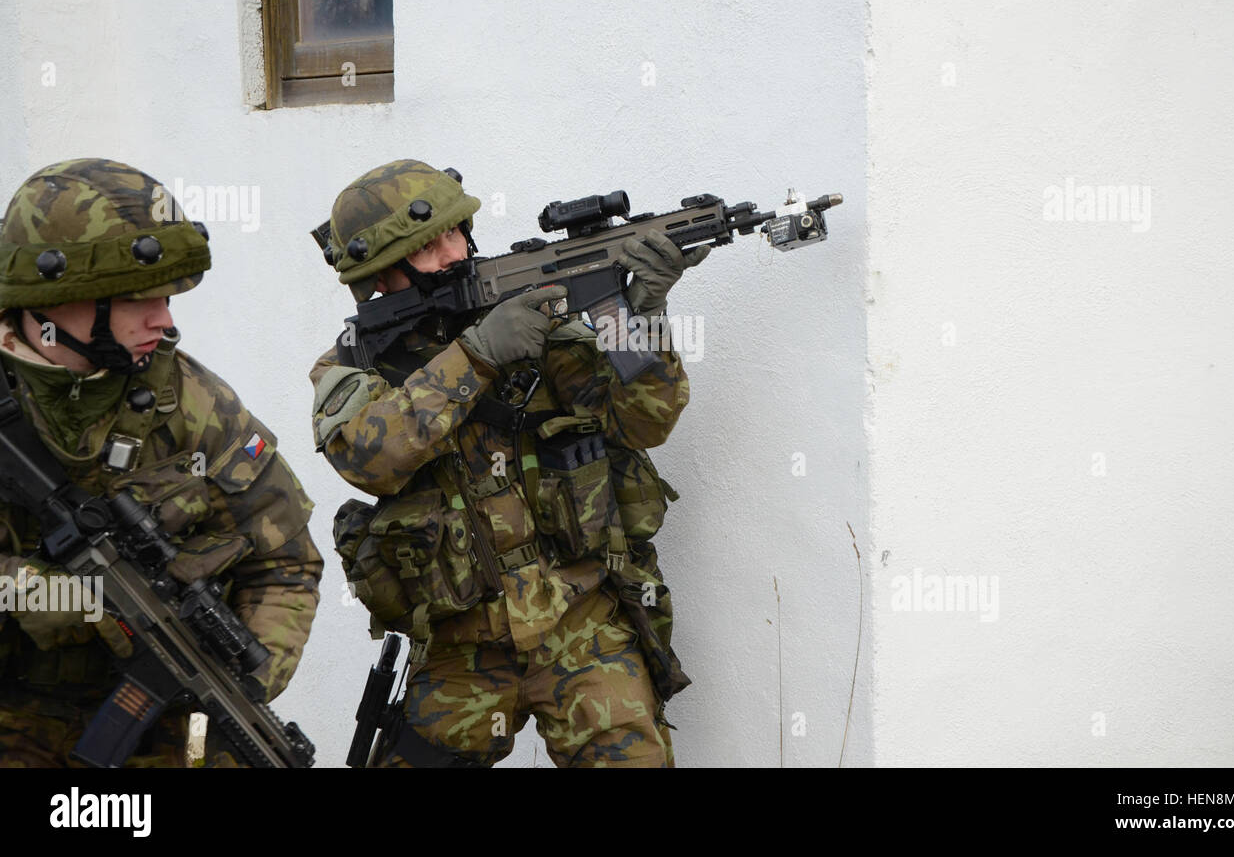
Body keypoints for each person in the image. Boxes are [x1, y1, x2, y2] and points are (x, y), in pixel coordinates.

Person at [310, 159, 705, 767]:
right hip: (458, 648)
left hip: (583, 623)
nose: (455, 251)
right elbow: (371, 459)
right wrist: (477, 355)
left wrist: (643, 317)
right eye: (427, 245)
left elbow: (642, 422)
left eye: (457, 232)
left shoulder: (541, 326)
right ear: (379, 275)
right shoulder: (354, 365)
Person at [0, 158, 322, 767]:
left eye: (167, 298)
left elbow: (285, 561)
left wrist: (243, 683)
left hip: (171, 719)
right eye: (136, 300)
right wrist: (34, 593)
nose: (165, 321)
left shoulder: (197, 407)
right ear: (53, 301)